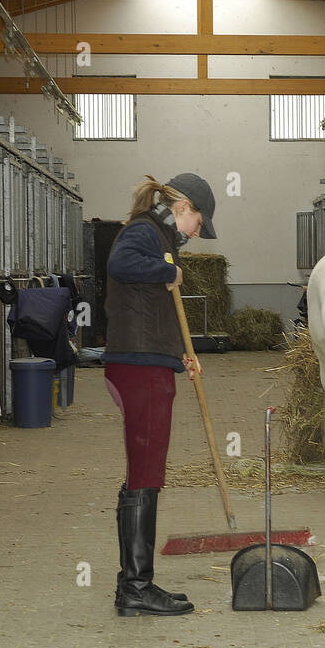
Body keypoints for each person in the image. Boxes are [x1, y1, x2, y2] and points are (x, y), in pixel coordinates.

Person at [104, 173, 217, 616]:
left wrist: (178, 358)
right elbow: (120, 265)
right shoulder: (143, 232)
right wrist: (168, 270)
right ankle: (136, 587)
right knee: (146, 471)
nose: (196, 233)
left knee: (142, 471)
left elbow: (149, 308)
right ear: (184, 207)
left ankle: (134, 583)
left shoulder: (157, 234)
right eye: (198, 223)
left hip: (150, 362)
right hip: (139, 366)